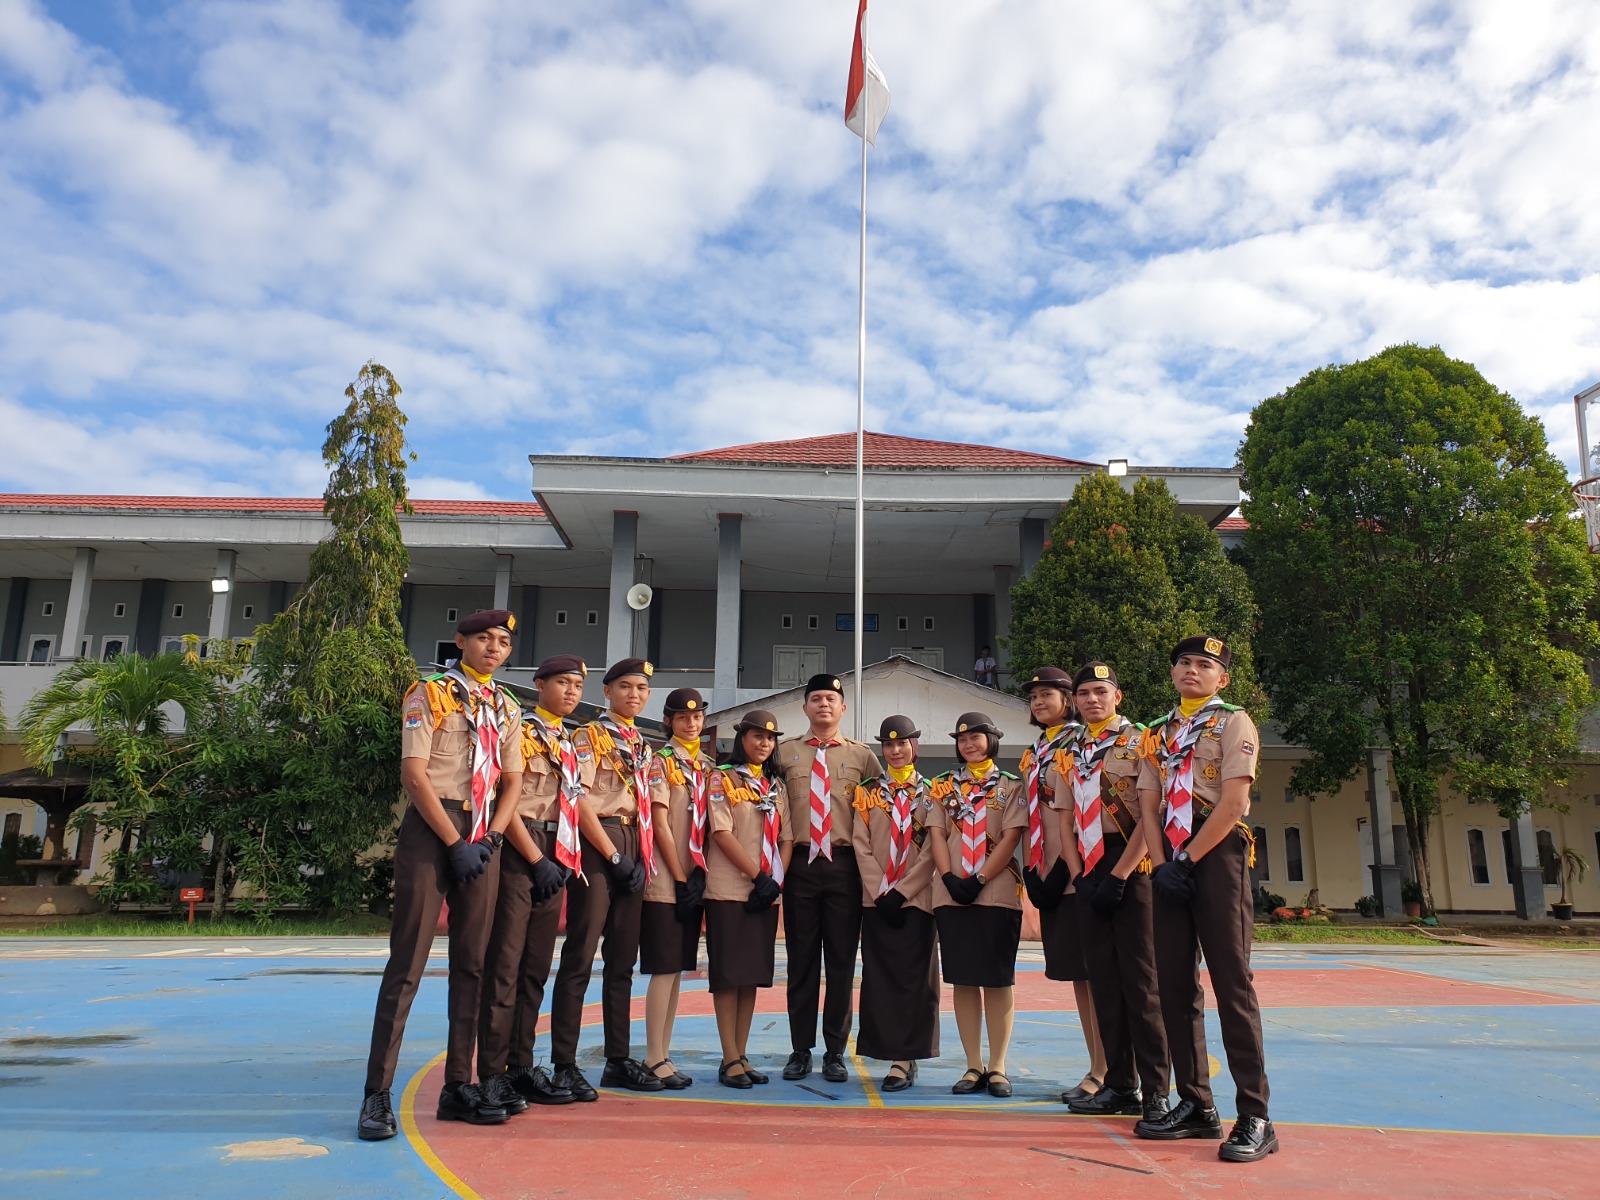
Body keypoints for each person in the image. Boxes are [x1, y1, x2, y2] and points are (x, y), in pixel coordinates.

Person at [360, 610, 524, 1140]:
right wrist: (454, 843)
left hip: (484, 834)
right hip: (435, 829)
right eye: (484, 638)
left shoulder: (506, 706)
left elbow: (513, 781)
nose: (494, 648)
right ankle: (376, 1096)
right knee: (407, 962)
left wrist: (493, 839)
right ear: (461, 642)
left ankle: (460, 1086)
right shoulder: (429, 693)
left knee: (472, 965)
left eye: (502, 641)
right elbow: (414, 773)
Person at [1136, 636, 1276, 1162]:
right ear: (1173, 672)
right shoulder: (1157, 731)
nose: (1192, 671)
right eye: (1185, 663)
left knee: (1231, 983)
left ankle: (1256, 1113)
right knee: (1173, 983)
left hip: (1215, 854)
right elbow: (1147, 803)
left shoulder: (1234, 722)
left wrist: (1190, 860)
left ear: (1223, 678)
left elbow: (1235, 800)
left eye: (1205, 665)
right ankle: (1196, 1104)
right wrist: (1162, 864)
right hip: (1169, 858)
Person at [547, 657, 665, 1101]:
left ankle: (617, 1059)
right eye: (626, 687)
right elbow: (577, 800)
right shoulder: (588, 737)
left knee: (622, 960)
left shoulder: (642, 743)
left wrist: (636, 856)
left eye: (642, 689)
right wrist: (614, 855)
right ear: (608, 692)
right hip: (601, 844)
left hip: (636, 843)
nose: (635, 695)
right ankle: (564, 1064)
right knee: (580, 954)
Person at [475, 654, 588, 1115]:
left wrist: (560, 857)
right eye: (562, 683)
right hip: (522, 849)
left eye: (578, 686)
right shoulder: (519, 729)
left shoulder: (573, 741)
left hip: (556, 854)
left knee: (536, 968)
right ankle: (492, 1072)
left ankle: (522, 1063)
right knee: (505, 965)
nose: (571, 692)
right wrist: (538, 857)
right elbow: (509, 795)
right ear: (538, 684)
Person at [1058, 662, 1170, 1122]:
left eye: (1100, 692)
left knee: (1142, 984)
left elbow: (1150, 816)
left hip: (1133, 864)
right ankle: (1120, 1085)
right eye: (1083, 693)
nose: (1091, 700)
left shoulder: (1141, 741)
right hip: (1088, 865)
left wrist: (1120, 875)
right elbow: (1063, 817)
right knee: (1103, 979)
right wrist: (1079, 875)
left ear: (1117, 697)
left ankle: (1158, 1090)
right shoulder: (1070, 749)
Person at [771, 675, 882, 1083]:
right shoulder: (783, 755)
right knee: (800, 962)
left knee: (840, 963)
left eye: (830, 699)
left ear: (842, 708)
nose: (823, 705)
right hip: (800, 864)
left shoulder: (863, 757)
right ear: (804, 708)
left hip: (844, 865)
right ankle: (800, 1049)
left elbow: (876, 814)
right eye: (815, 699)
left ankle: (835, 1050)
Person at [1016, 666, 1107, 1105]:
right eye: (1033, 696)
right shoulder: (1036, 750)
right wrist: (1035, 869)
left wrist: (1067, 870)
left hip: (1081, 874)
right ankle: (1098, 1066)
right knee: (1078, 977)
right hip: (1049, 874)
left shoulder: (1082, 742)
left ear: (1068, 698)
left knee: (1101, 975)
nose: (1038, 701)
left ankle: (1110, 1070)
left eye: (1047, 694)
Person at [926, 711, 1026, 1099]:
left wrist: (980, 879)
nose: (969, 744)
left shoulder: (1009, 786)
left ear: (992, 741)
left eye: (977, 737)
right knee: (963, 979)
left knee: (998, 980)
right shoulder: (943, 786)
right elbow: (936, 833)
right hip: (951, 895)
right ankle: (972, 1064)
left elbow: (1011, 837)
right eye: (962, 739)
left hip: (997, 892)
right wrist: (950, 878)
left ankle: (998, 1066)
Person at [851, 715, 940, 1092]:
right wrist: (879, 890)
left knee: (915, 981)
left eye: (903, 743)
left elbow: (935, 848)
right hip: (876, 902)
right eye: (888, 745)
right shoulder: (867, 792)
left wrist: (904, 890)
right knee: (881, 978)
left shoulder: (936, 791)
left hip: (917, 900)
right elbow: (861, 843)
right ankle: (887, 1051)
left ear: (915, 746)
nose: (896, 750)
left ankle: (907, 1057)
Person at [706, 710, 793, 1087]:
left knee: (750, 978)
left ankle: (741, 1054)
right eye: (756, 736)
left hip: (765, 895)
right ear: (741, 739)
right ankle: (728, 1058)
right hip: (729, 891)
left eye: (770, 738)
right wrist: (758, 877)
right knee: (728, 977)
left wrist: (774, 882)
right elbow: (721, 834)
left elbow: (787, 838)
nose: (764, 743)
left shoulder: (776, 785)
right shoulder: (721, 779)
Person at [638, 687, 715, 1089]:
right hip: (668, 882)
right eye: (682, 718)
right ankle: (653, 1056)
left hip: (695, 881)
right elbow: (660, 823)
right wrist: (682, 876)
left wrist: (698, 876)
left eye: (697, 717)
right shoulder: (660, 763)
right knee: (663, 968)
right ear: (668, 721)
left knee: (679, 969)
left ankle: (663, 1053)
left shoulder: (708, 767)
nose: (691, 723)